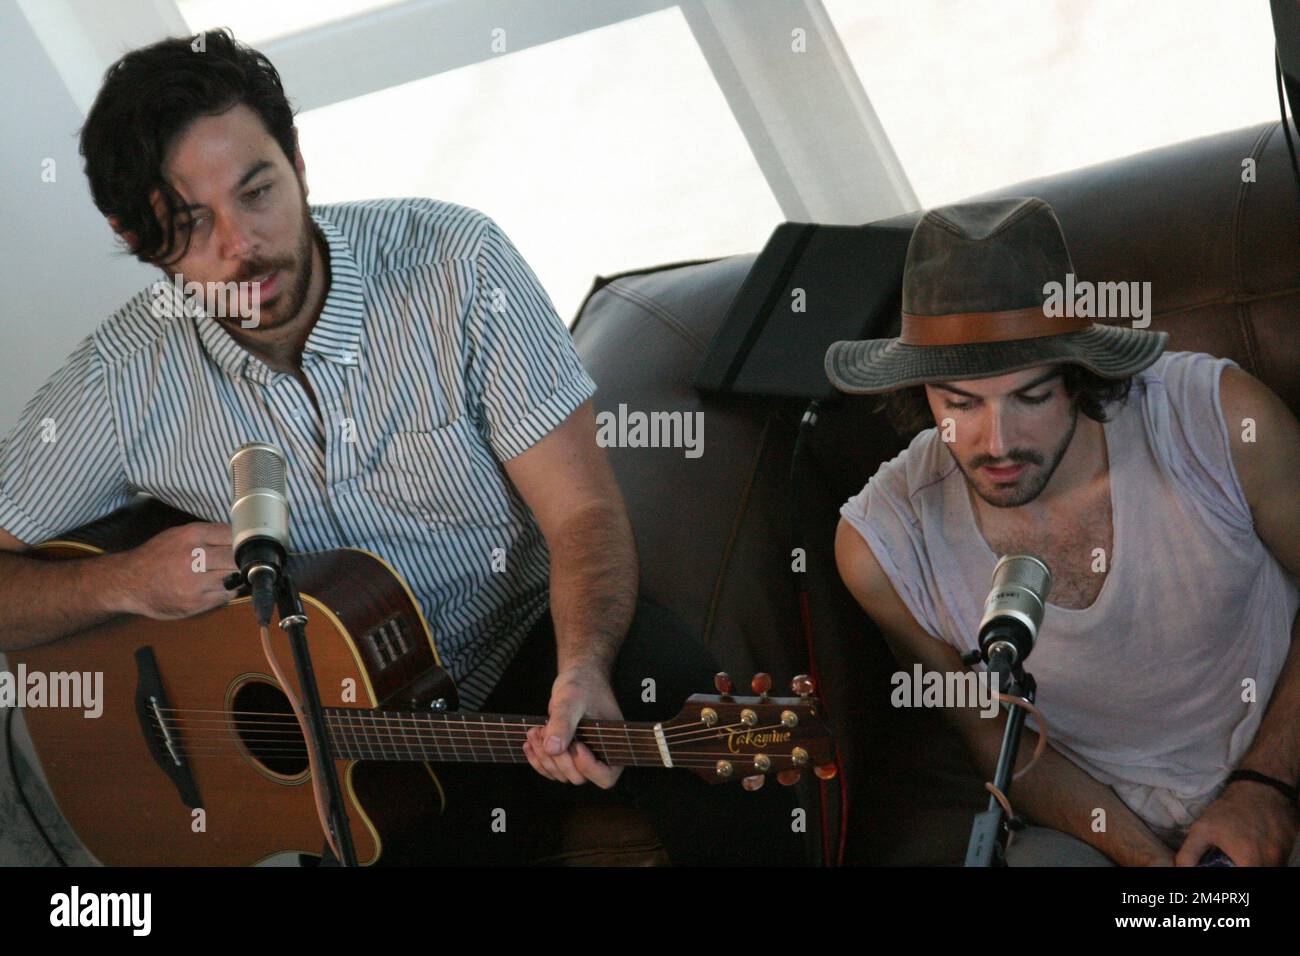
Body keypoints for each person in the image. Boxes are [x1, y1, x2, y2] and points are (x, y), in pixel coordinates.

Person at [0, 29, 805, 866]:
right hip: (356, 748)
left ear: (298, 161)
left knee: (700, 749)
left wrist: (584, 665)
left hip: (532, 643)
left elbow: (582, 513)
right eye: (191, 224)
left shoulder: (458, 263)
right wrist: (129, 581)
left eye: (258, 190)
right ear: (134, 236)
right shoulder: (118, 380)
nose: (243, 244)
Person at [826, 197, 1300, 866]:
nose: (997, 442)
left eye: (1031, 396)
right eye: (960, 403)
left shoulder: (1219, 420)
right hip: (1100, 826)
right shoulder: (882, 547)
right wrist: (1150, 869)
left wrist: (1264, 786)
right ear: (922, 390)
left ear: (1078, 376)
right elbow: (997, 739)